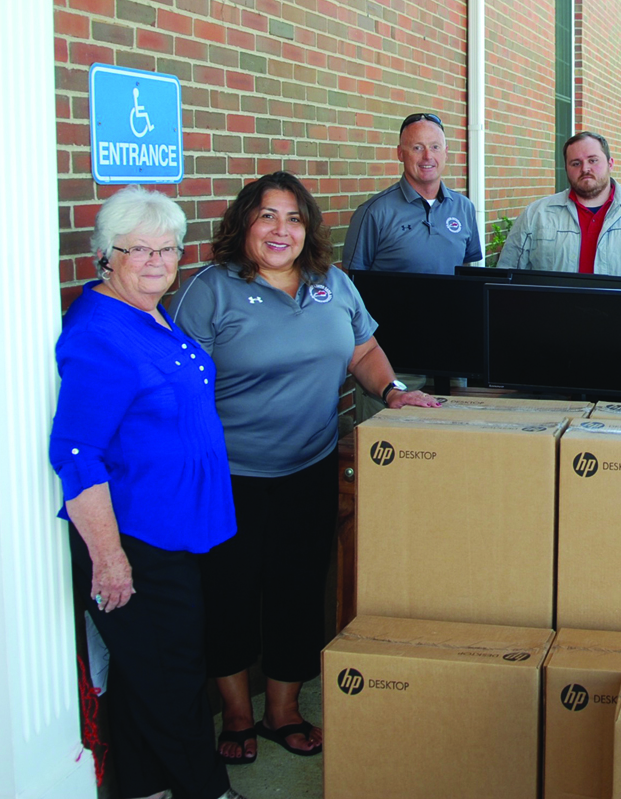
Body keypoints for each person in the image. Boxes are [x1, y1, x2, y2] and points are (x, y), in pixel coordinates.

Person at [171, 172, 439, 764]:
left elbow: (363, 349)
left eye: (293, 218)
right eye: (267, 215)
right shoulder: (209, 291)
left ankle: (283, 711)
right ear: (244, 222)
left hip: (309, 468)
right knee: (229, 594)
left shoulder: (332, 283)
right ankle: (236, 716)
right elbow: (179, 389)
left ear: (308, 229)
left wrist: (392, 391)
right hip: (229, 477)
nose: (280, 230)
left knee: (296, 591)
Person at [49, 186, 245, 799]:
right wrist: (109, 559)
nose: (157, 261)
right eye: (139, 250)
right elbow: (76, 453)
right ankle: (208, 791)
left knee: (145, 674)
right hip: (137, 537)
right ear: (105, 256)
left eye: (168, 249)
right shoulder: (99, 334)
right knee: (173, 677)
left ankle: (142, 788)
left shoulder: (148, 311)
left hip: (178, 527)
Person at [496, 131, 621, 274]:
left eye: (593, 160)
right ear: (566, 168)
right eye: (576, 163)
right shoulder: (536, 215)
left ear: (610, 163)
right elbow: (506, 277)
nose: (585, 168)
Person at [343, 112, 482, 273]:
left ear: (446, 153)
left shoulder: (463, 208)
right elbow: (351, 279)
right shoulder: (373, 213)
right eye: (417, 148)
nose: (427, 156)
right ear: (400, 153)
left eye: (435, 147)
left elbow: (464, 268)